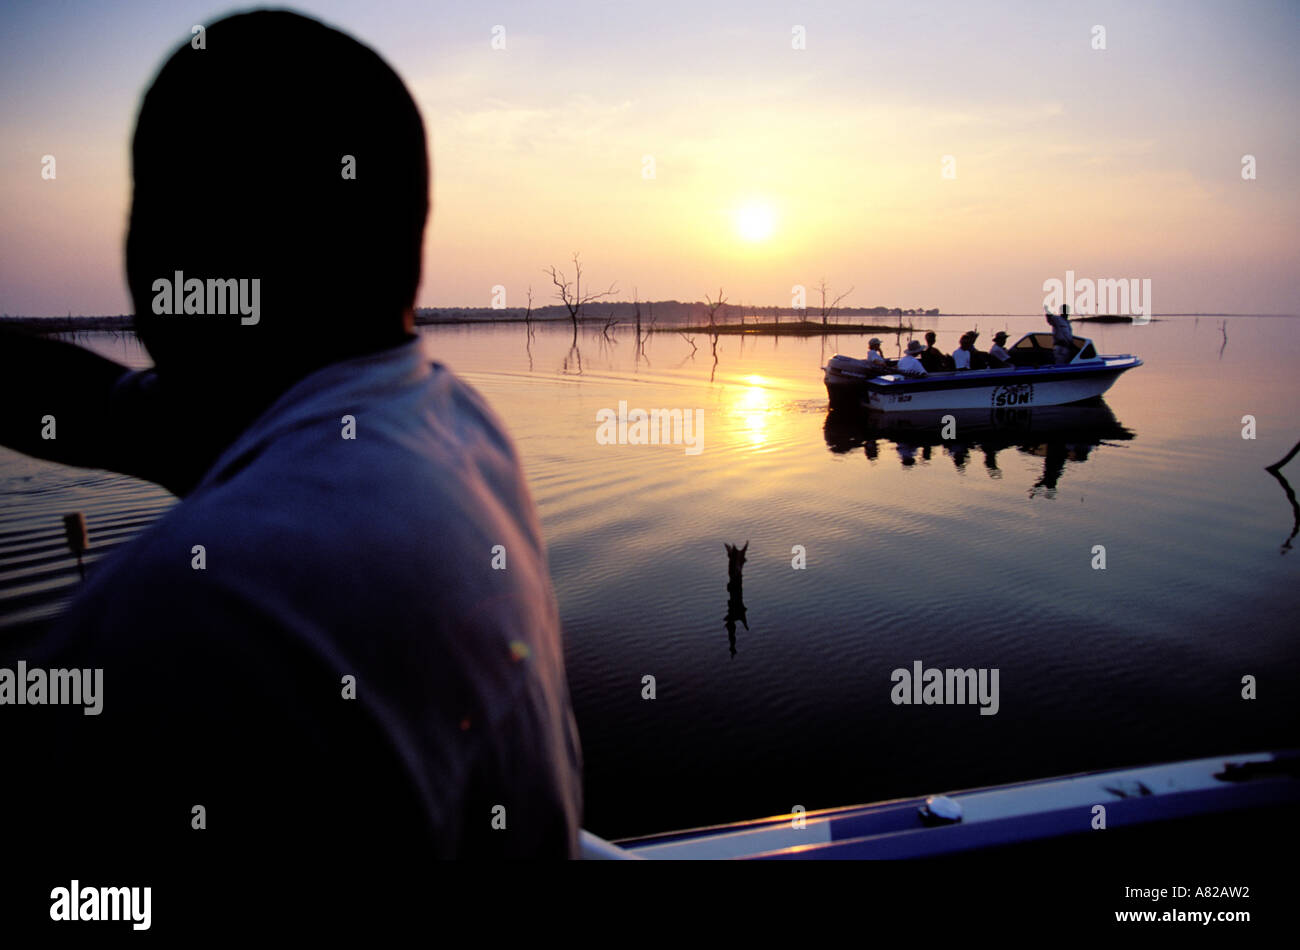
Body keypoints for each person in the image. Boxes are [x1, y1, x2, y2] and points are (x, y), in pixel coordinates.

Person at [0, 9, 583, 878]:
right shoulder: (450, 419)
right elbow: (100, 405)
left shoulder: (190, 614)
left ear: (171, 244)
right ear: (408, 248)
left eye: (144, 201)